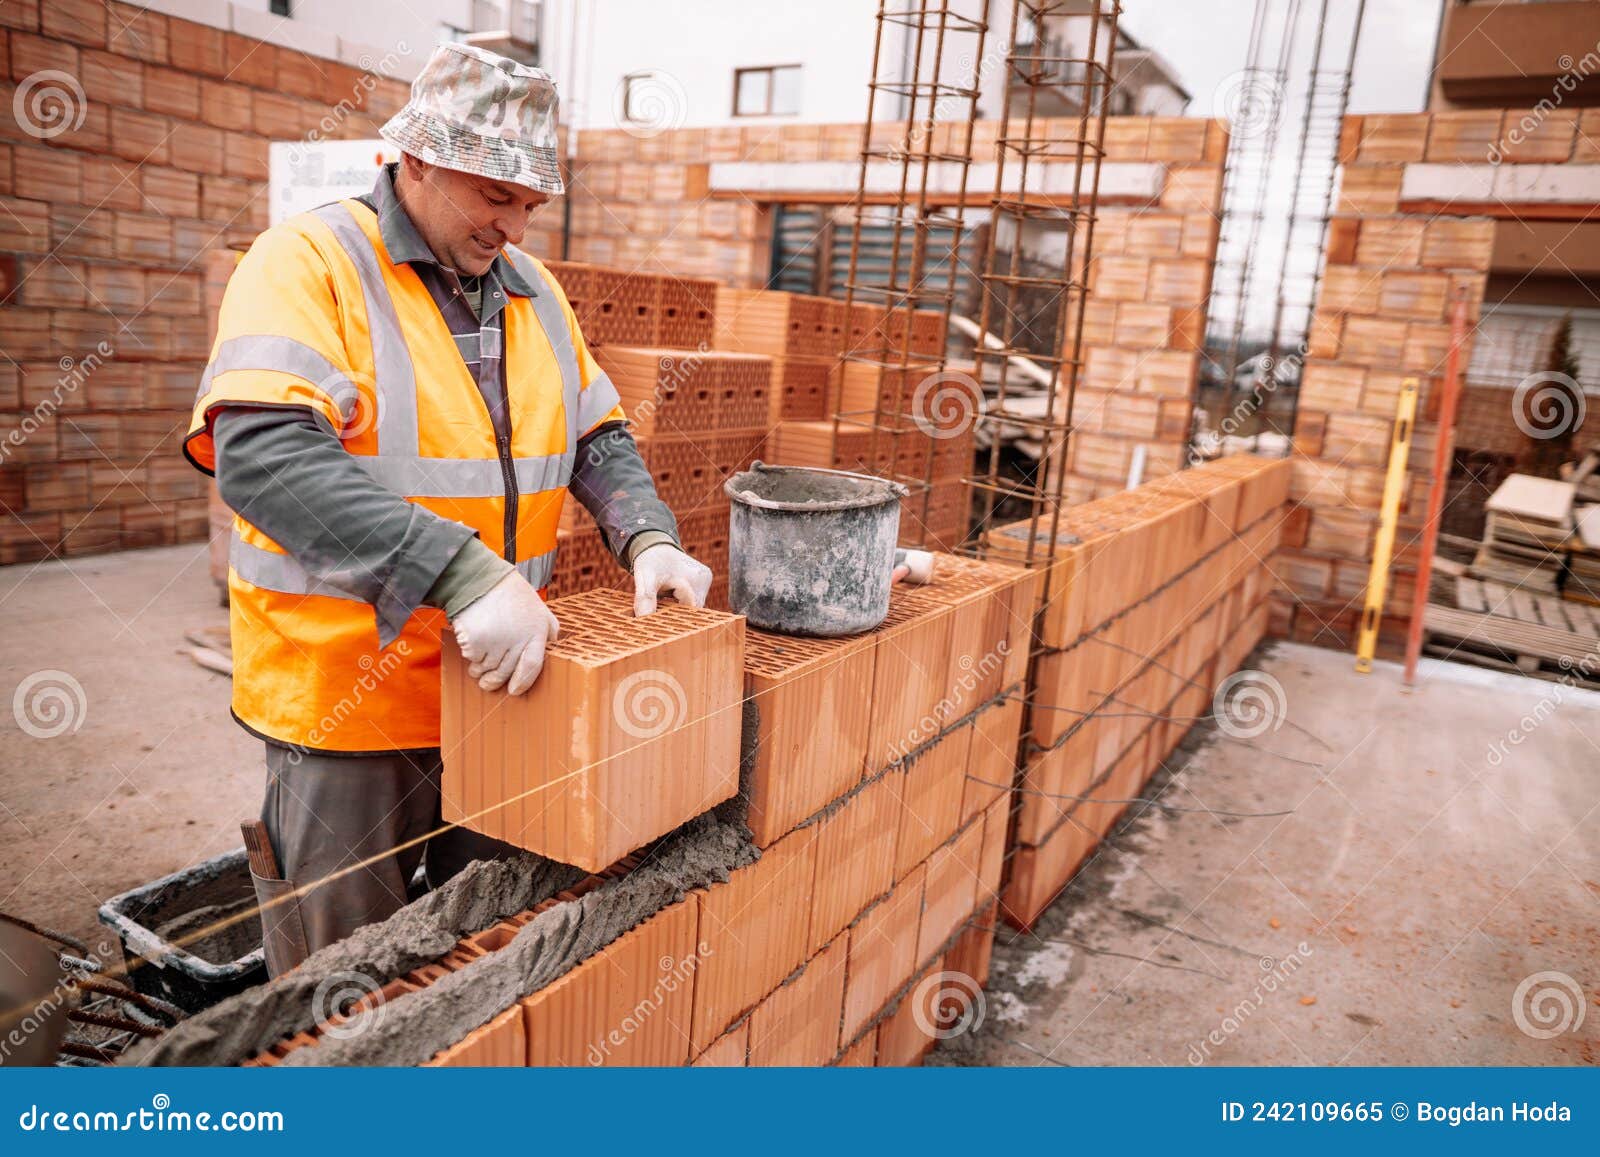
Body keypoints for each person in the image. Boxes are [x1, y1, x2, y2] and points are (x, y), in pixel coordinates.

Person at [183, 43, 711, 975]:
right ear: (413, 159)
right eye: (493, 195)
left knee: (480, 958)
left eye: (529, 204)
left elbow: (597, 433)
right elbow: (263, 461)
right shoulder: (307, 263)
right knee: (347, 981)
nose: (512, 224)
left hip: (500, 690)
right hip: (347, 709)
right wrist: (465, 575)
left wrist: (648, 534)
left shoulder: (533, 293)